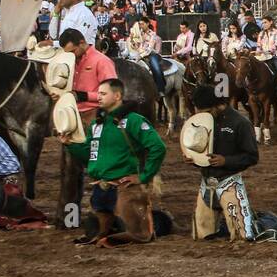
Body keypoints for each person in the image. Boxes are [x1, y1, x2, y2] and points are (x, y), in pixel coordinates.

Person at [62, 78, 167, 247]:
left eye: (103, 93)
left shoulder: (134, 120)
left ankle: (161, 88)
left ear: (117, 96)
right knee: (95, 232)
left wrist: (144, 176)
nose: (99, 97)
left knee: (138, 234)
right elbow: (90, 157)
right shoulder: (96, 125)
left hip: (124, 188)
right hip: (101, 190)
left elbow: (158, 148)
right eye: (99, 94)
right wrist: (71, 145)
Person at [182, 85, 261, 242]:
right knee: (201, 235)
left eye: (206, 112)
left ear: (217, 105)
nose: (202, 116)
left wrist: (226, 161)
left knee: (242, 237)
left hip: (229, 181)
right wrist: (193, 159)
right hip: (207, 182)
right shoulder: (203, 120)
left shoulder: (240, 123)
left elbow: (252, 156)